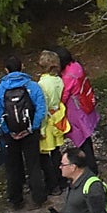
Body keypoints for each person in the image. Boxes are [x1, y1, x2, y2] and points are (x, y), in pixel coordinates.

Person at [0, 58, 47, 211]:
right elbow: (41, 109)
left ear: (5, 70)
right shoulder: (32, 86)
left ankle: (16, 200)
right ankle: (39, 198)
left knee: (13, 167)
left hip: (10, 135)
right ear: (22, 67)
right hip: (30, 132)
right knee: (34, 165)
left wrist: (8, 131)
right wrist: (32, 128)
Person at [49, 47, 102, 175]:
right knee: (86, 140)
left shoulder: (67, 77)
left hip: (75, 112)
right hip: (84, 106)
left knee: (82, 142)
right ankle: (91, 167)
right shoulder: (76, 66)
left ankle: (90, 170)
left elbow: (63, 96)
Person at [35, 53, 72, 198]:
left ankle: (53, 184)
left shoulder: (42, 84)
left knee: (45, 154)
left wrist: (41, 128)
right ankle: (62, 179)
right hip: (58, 116)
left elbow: (43, 107)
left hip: (48, 121)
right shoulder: (58, 80)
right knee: (56, 151)